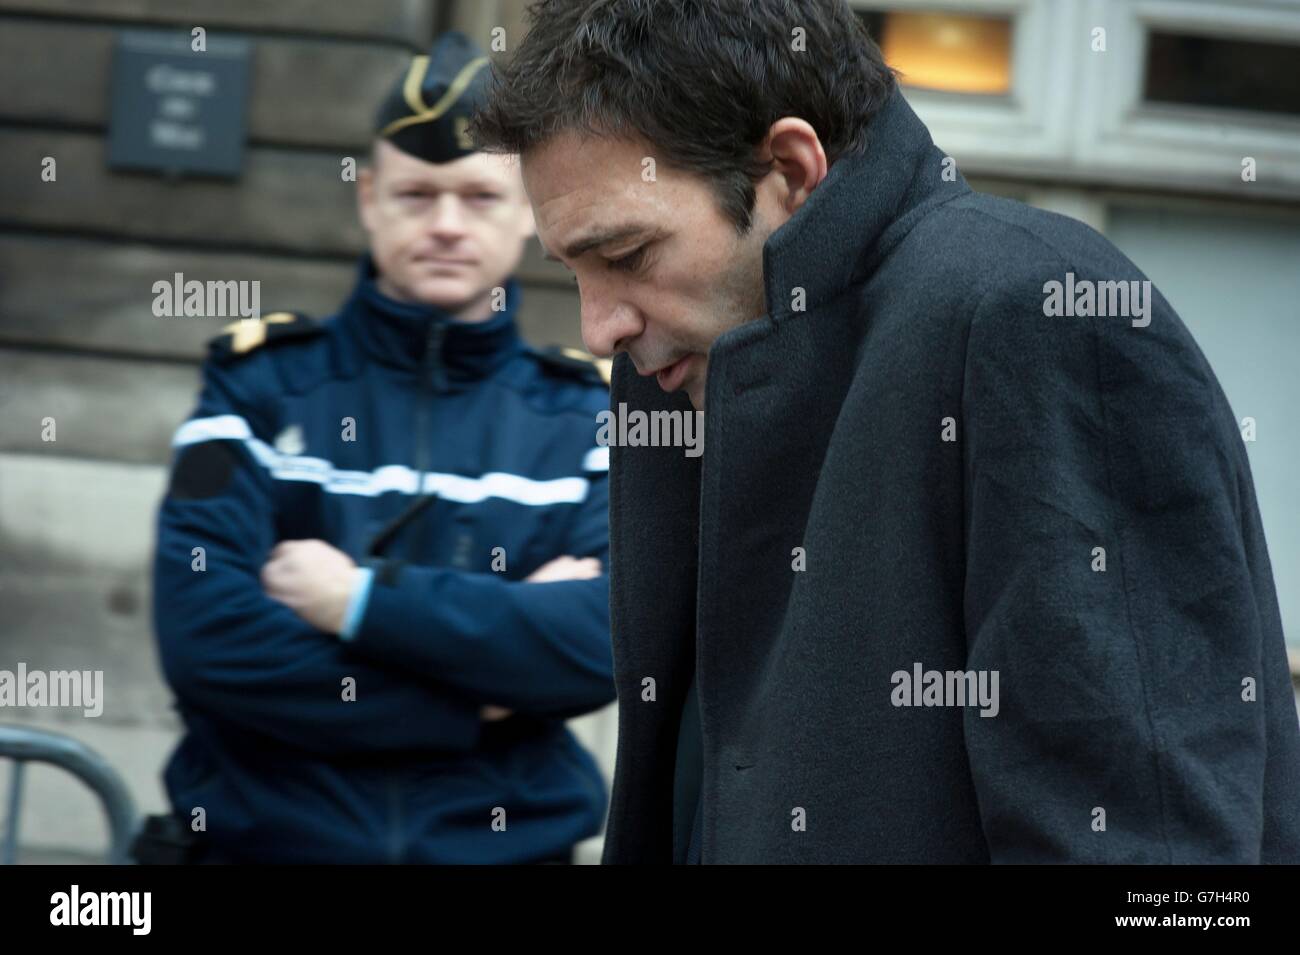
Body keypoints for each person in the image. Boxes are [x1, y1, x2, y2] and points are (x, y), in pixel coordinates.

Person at [470, 0, 1300, 863]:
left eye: (628, 254)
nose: (598, 325)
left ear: (791, 171)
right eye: (573, 271)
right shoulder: (691, 369)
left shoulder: (1034, 313)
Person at [148, 32, 615, 864]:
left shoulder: (584, 417)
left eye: (477, 196)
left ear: (529, 207)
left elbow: (605, 644)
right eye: (415, 195)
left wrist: (357, 601)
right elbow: (207, 640)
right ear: (368, 198)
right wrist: (483, 696)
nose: (444, 225)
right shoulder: (254, 390)